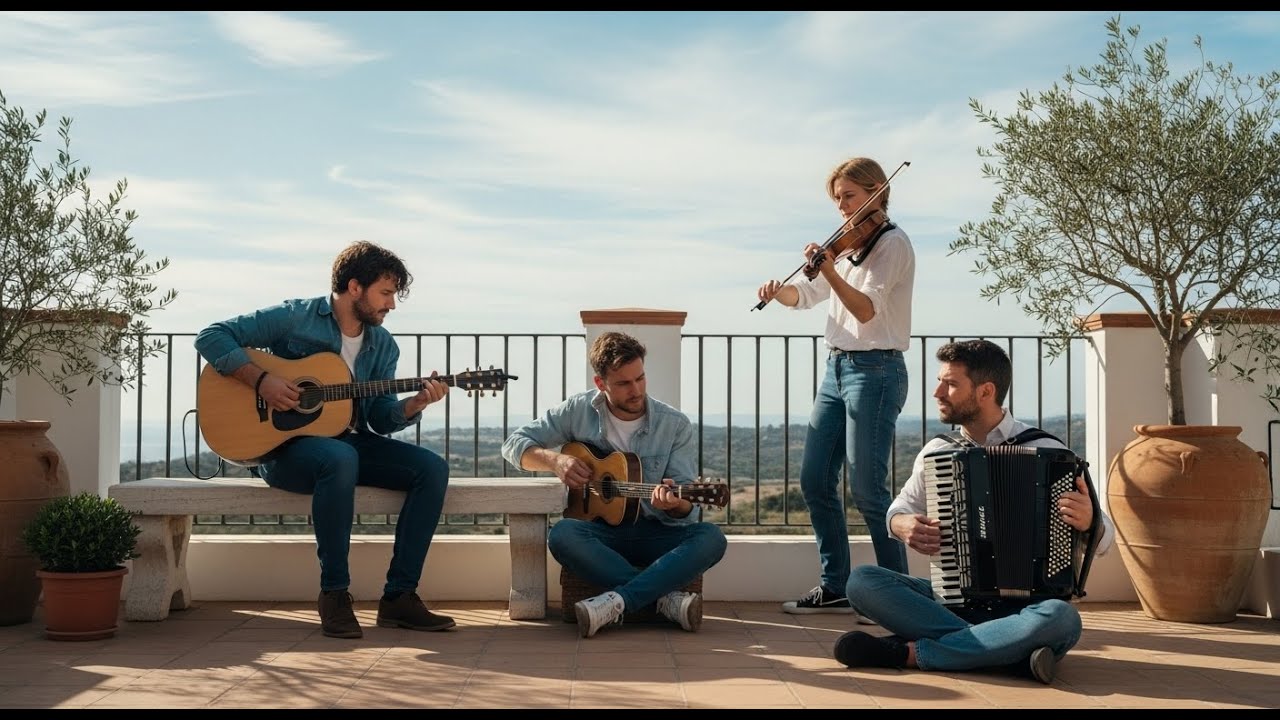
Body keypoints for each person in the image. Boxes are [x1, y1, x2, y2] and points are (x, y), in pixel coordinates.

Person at [194, 240, 455, 639]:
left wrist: (416, 403)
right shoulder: (297, 317)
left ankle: (399, 597)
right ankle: (334, 595)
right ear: (355, 287)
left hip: (348, 444)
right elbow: (211, 336)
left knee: (431, 469)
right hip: (285, 450)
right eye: (385, 293)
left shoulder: (382, 344)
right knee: (338, 458)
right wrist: (262, 381)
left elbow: (379, 419)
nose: (392, 305)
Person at [833, 339, 1114, 684]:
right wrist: (901, 523)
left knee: (1061, 617)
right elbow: (900, 507)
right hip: (952, 598)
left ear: (985, 391)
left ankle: (909, 653)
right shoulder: (938, 452)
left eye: (950, 384)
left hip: (1025, 607)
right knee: (863, 582)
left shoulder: (1050, 452)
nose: (937, 392)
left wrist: (1090, 522)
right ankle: (1009, 655)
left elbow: (1105, 540)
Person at [756, 156, 914, 617]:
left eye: (848, 196)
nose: (842, 209)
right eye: (837, 200)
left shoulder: (893, 244)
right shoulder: (847, 248)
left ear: (876, 191)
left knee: (867, 489)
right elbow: (804, 296)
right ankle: (836, 585)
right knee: (814, 480)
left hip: (877, 371)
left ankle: (898, 594)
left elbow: (866, 311)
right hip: (837, 369)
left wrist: (828, 269)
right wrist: (777, 292)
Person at [501, 331, 727, 638]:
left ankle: (619, 601)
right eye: (623, 383)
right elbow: (514, 444)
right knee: (563, 535)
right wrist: (556, 462)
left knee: (711, 538)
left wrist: (675, 504)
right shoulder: (577, 411)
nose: (636, 390)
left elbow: (687, 510)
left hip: (656, 531)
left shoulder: (674, 424)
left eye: (640, 378)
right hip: (601, 534)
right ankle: (664, 600)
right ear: (600, 383)